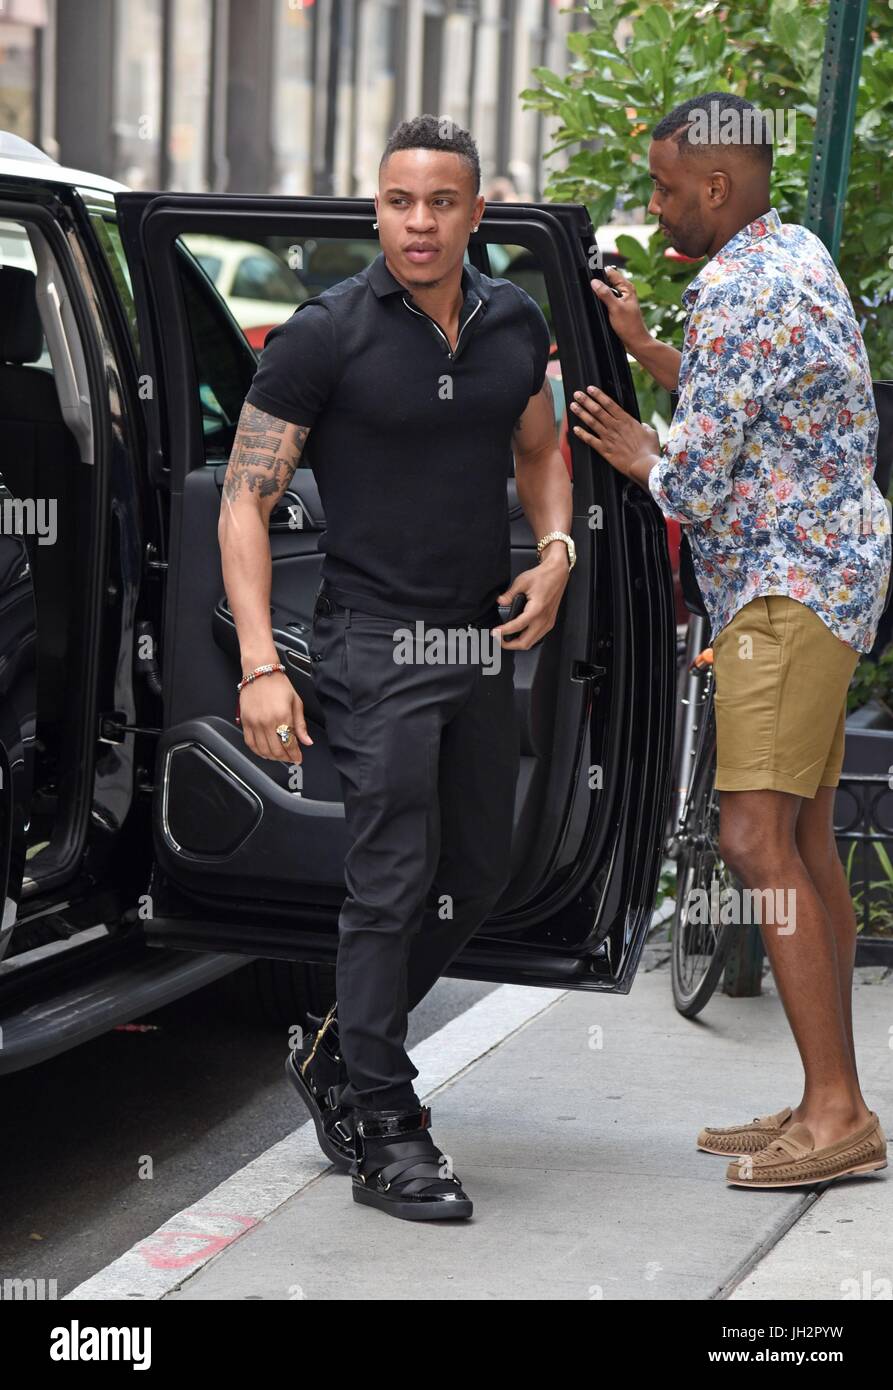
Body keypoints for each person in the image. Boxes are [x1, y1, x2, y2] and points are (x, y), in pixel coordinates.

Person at [217, 115, 574, 1221]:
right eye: (400, 201)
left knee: (480, 867)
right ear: (376, 208)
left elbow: (541, 449)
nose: (418, 222)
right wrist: (258, 664)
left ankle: (338, 1046)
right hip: (371, 640)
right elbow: (243, 497)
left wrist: (555, 549)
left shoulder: (513, 321)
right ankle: (383, 1121)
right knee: (388, 883)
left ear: (476, 211)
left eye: (441, 202)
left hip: (472, 637)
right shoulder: (325, 334)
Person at [573, 92, 890, 1190]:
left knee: (754, 837)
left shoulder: (737, 293)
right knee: (799, 840)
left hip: (777, 596)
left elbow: (694, 481)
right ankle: (823, 1095)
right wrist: (649, 351)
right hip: (828, 582)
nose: (658, 204)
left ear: (714, 184)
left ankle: (838, 1111)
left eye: (665, 185)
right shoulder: (789, 256)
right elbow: (756, 408)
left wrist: (629, 454)